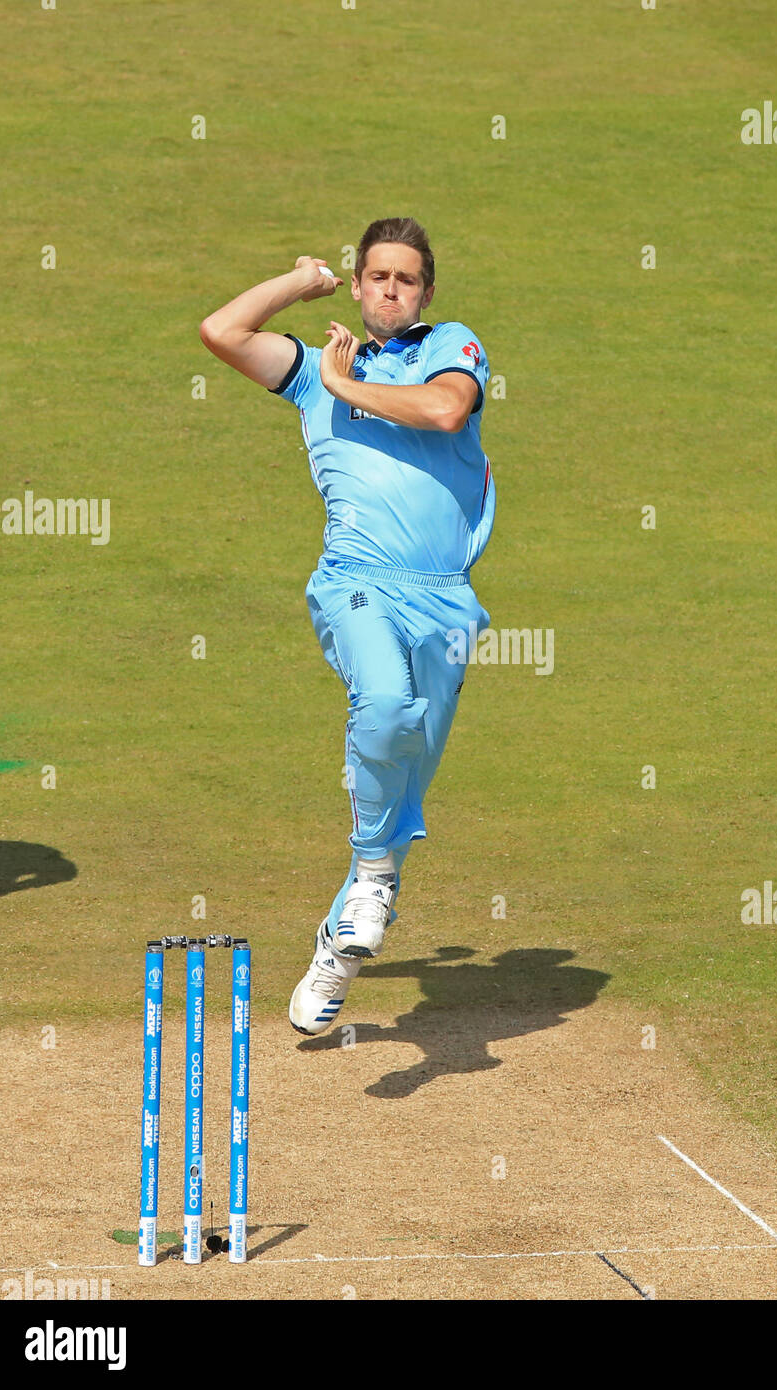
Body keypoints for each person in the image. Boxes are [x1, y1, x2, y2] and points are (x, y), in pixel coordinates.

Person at [199, 217, 495, 1035]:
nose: (392, 289)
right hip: (356, 581)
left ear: (426, 293)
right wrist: (300, 282)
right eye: (378, 277)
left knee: (405, 782)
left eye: (407, 279)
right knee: (388, 711)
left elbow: (442, 413)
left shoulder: (450, 347)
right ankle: (368, 874)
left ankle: (338, 946)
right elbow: (221, 331)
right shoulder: (311, 370)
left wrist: (347, 388)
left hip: (445, 600)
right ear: (359, 286)